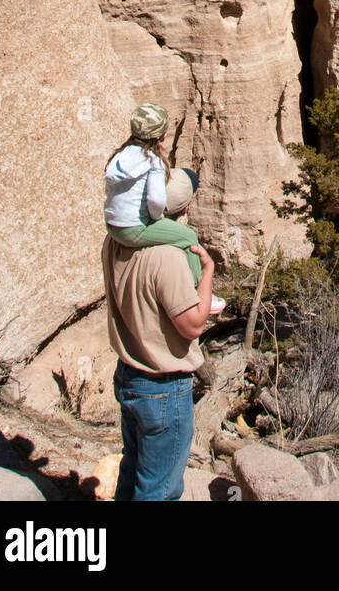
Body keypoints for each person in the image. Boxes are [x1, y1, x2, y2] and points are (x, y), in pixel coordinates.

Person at [102, 165, 215, 501]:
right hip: (162, 387)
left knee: (133, 470)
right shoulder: (168, 257)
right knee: (160, 488)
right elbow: (193, 323)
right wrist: (207, 272)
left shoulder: (114, 242)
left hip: (129, 375)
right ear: (186, 210)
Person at [104, 103, 224, 313]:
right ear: (161, 135)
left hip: (113, 226)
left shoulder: (120, 155)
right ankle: (198, 291)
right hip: (133, 228)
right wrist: (157, 218)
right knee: (187, 236)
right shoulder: (153, 162)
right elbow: (157, 199)